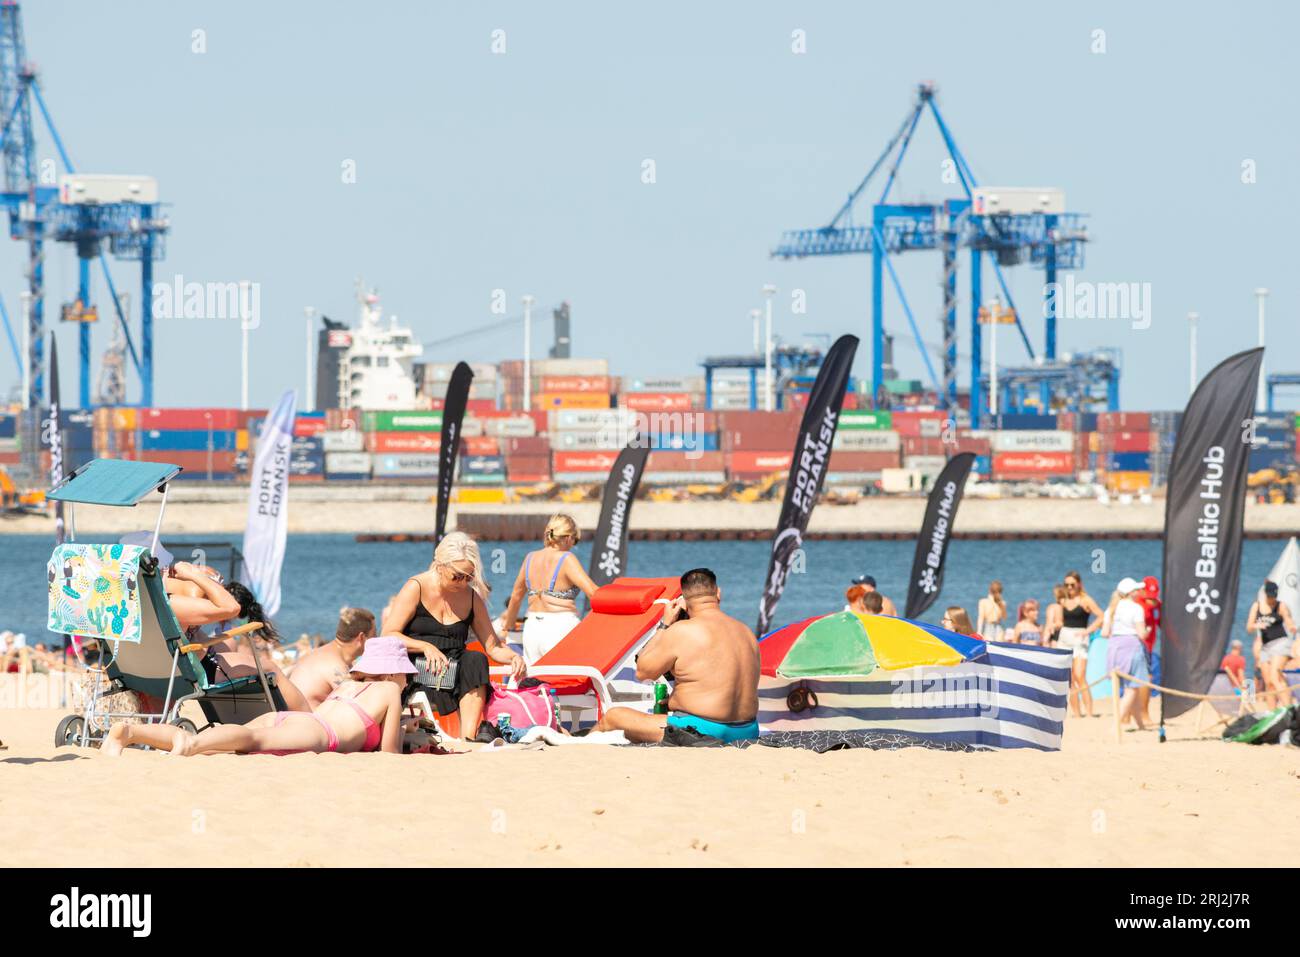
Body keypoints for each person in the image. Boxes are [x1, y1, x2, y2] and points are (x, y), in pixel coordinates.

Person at [102, 636, 416, 756]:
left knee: (229, 742)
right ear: (391, 673)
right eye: (405, 672)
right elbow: (389, 755)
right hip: (320, 733)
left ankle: (130, 733)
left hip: (297, 720)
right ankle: (188, 742)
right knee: (246, 742)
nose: (406, 679)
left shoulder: (349, 683)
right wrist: (404, 732)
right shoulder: (389, 690)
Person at [382, 531, 526, 741]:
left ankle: (468, 737)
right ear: (440, 566)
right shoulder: (417, 587)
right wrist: (425, 646)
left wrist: (514, 657)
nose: (462, 582)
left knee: (475, 660)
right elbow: (388, 634)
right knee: (465, 666)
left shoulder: (471, 597)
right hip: (417, 666)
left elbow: (493, 646)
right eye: (457, 576)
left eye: (468, 577)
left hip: (454, 667)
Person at [591, 568, 760, 743]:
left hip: (701, 730)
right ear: (718, 593)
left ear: (683, 603)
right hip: (747, 730)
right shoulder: (746, 631)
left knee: (614, 717)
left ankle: (575, 744)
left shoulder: (681, 631)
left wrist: (665, 625)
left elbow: (643, 672)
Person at [500, 513, 598, 665]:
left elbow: (516, 597)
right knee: (569, 682)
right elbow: (593, 593)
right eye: (575, 540)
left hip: (532, 629)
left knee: (536, 684)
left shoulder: (530, 558)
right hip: (560, 627)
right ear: (567, 538)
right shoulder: (566, 558)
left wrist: (508, 627)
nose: (573, 545)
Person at [288, 607, 375, 708]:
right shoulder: (336, 666)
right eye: (374, 634)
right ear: (361, 637)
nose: (376, 639)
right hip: (305, 721)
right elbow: (360, 707)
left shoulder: (324, 653)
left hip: (297, 719)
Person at [1103, 577, 1152, 730]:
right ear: (1131, 593)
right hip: (1132, 646)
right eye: (1137, 590)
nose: (1139, 592)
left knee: (1130, 687)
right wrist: (1148, 630)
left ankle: (1140, 724)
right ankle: (1116, 724)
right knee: (1132, 688)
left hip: (1114, 647)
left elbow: (1105, 633)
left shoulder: (1111, 609)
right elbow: (1142, 634)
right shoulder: (1136, 608)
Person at [1058, 570, 1103, 717]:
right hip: (1064, 639)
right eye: (1067, 585)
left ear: (1079, 584)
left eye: (1072, 584)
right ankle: (1077, 714)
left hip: (1079, 638)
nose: (1069, 587)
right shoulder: (1063, 600)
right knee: (1068, 678)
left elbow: (1101, 616)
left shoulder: (1086, 600)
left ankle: (1089, 713)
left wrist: (1088, 631)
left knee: (1080, 676)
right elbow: (1060, 621)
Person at [1247, 579, 1295, 707]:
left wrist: (1292, 627)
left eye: (1274, 596)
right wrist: (1257, 625)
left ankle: (1289, 709)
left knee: (1276, 677)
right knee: (1269, 683)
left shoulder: (1281, 606)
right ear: (1265, 594)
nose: (1272, 599)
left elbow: (1288, 620)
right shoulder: (1256, 606)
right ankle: (1272, 714)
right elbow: (1249, 627)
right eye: (1270, 596)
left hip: (1281, 642)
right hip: (1265, 647)